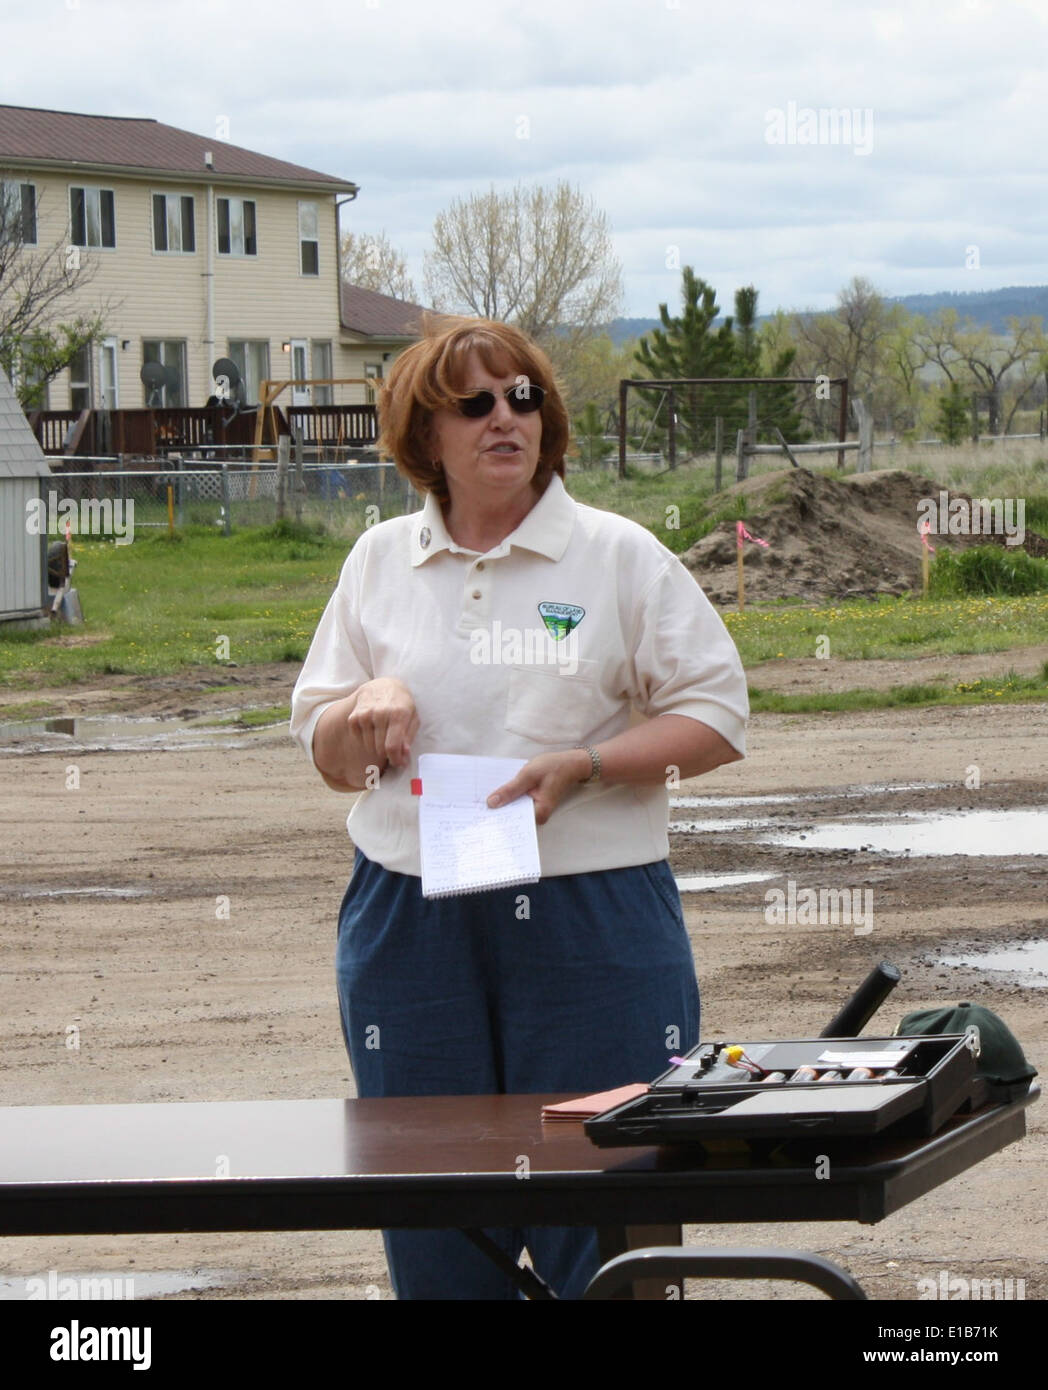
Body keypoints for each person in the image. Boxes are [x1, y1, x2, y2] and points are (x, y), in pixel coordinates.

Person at [289, 315, 749, 1299]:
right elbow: (326, 753)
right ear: (426, 433)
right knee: (437, 1213)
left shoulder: (617, 555)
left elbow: (716, 715)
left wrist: (587, 763)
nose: (506, 417)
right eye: (475, 403)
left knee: (605, 1211)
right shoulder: (378, 560)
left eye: (524, 396)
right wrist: (365, 708)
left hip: (593, 916)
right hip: (409, 919)